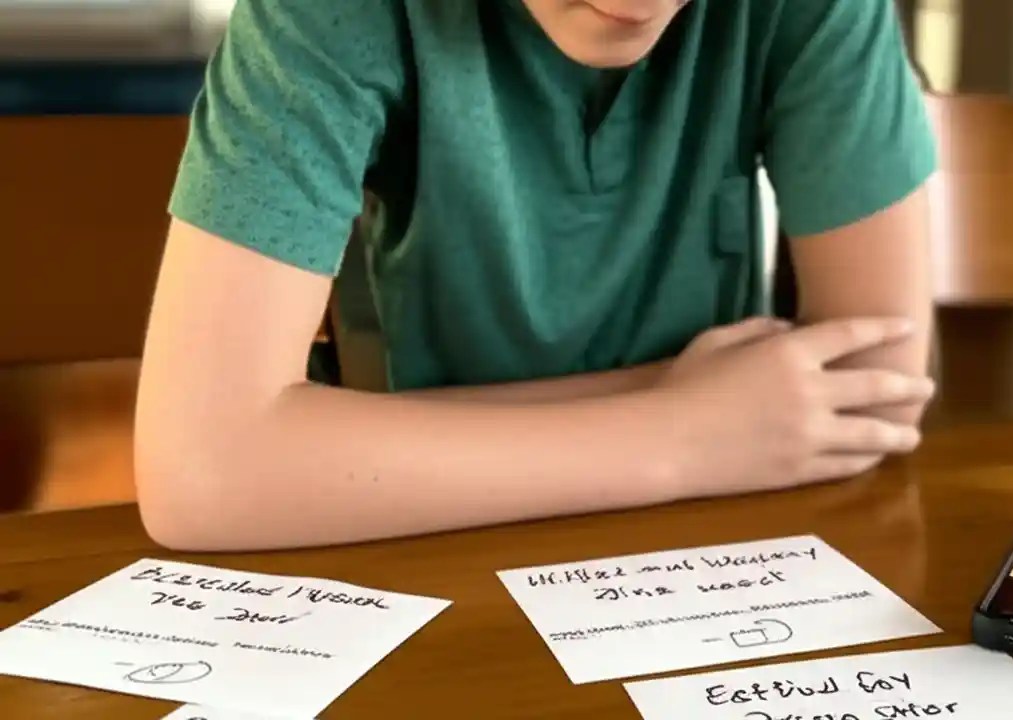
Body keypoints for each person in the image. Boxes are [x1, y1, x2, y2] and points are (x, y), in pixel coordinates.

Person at [135, 0, 938, 552]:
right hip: (411, 556)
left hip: (715, 551)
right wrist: (688, 432)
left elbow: (874, 390)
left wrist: (341, 441)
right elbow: (202, 469)